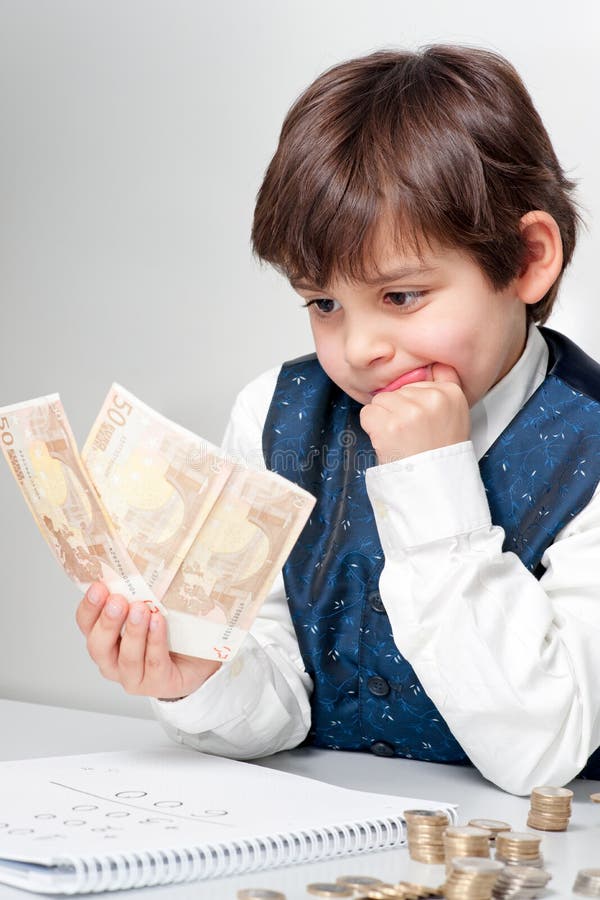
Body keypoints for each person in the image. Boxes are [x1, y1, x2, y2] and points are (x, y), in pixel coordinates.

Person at [75, 44, 600, 796]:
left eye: (401, 297)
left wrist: (430, 480)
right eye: (323, 304)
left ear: (526, 258)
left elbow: (539, 751)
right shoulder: (275, 416)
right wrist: (204, 677)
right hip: (325, 844)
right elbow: (279, 691)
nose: (359, 349)